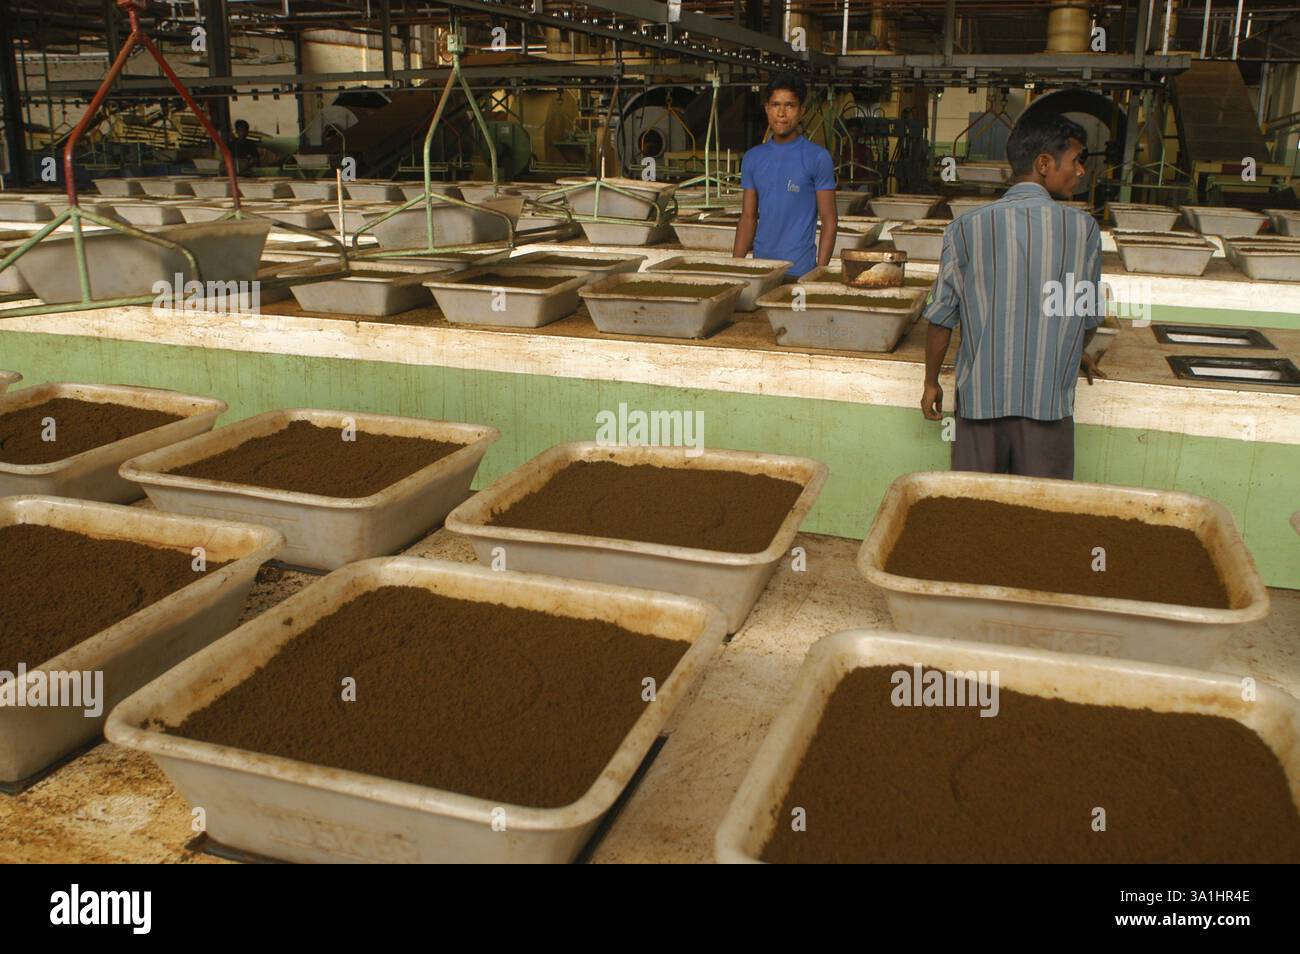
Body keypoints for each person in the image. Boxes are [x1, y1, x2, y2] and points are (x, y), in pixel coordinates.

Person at [919, 113, 1106, 480]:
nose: (1081, 172)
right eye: (1076, 161)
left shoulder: (965, 228)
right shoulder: (1083, 230)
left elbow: (941, 318)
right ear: (1043, 163)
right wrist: (1069, 346)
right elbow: (1088, 316)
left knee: (976, 508)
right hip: (1048, 408)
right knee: (1039, 518)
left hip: (980, 407)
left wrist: (930, 382)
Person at [733, 73, 838, 279]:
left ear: (802, 111)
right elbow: (748, 218)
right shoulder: (753, 158)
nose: (781, 113)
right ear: (766, 109)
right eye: (775, 105)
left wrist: (819, 273)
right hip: (761, 272)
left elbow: (829, 221)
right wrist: (735, 268)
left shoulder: (818, 157)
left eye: (789, 105)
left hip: (799, 272)